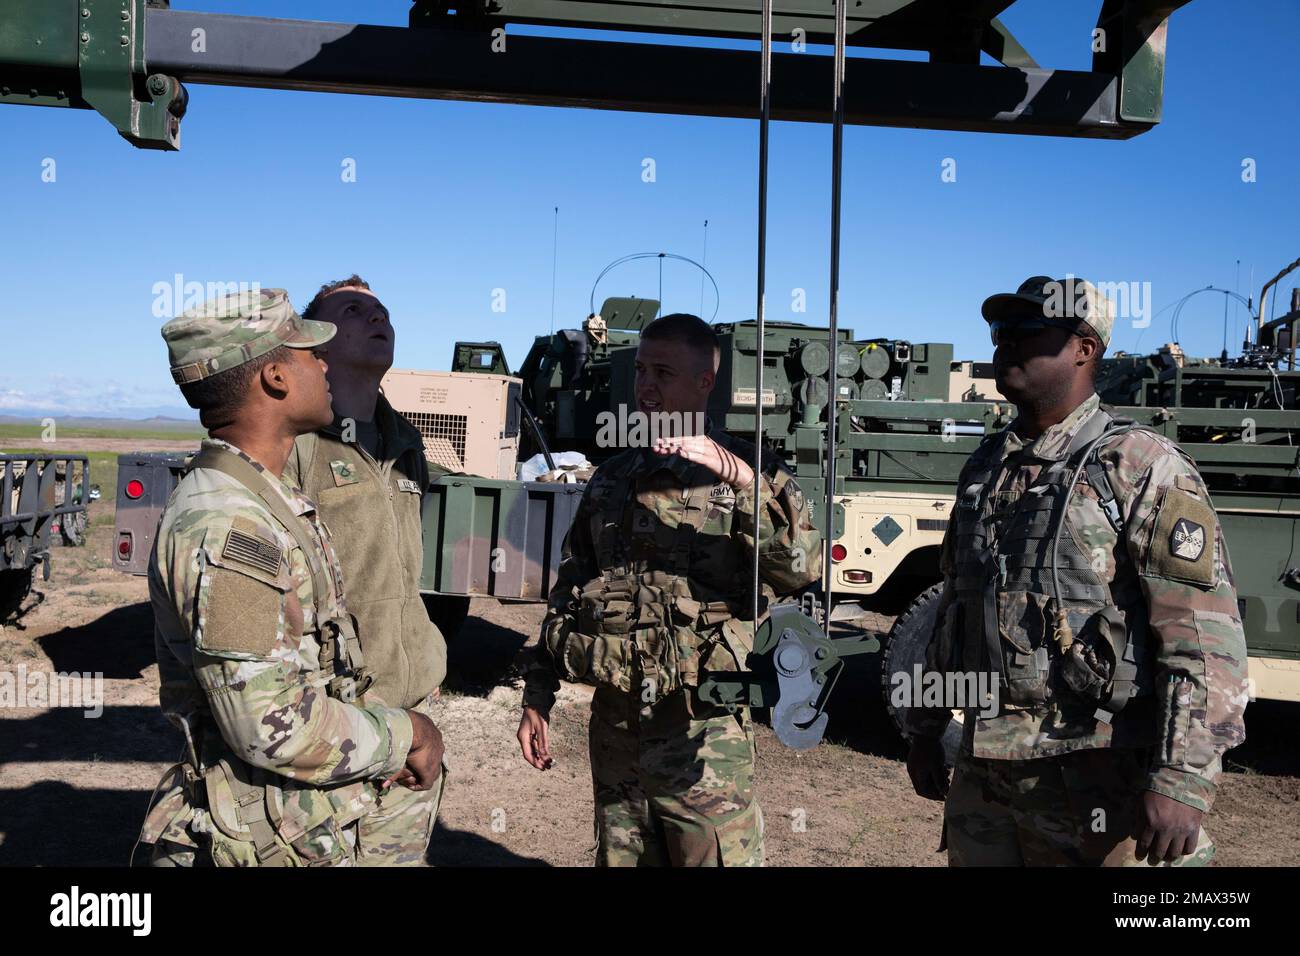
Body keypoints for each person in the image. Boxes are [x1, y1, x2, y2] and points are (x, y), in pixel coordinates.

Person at [904, 276, 1249, 866]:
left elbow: (1202, 635)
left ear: (1085, 348)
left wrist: (1183, 779)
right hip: (986, 776)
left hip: (1095, 775)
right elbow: (958, 608)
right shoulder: (987, 466)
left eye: (1026, 333)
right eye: (999, 332)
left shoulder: (1138, 464)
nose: (1003, 345)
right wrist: (924, 722)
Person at [137, 288, 443, 867]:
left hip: (303, 809)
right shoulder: (233, 527)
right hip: (267, 822)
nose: (323, 365)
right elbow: (268, 724)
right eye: (310, 355)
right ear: (276, 378)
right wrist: (410, 734)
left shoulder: (260, 499)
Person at [516, 313, 823, 866]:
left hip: (703, 735)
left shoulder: (752, 473)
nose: (646, 387)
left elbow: (801, 568)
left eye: (663, 371)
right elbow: (570, 589)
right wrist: (537, 696)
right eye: (640, 371)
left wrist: (745, 482)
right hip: (616, 732)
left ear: (706, 382)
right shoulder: (611, 480)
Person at [282, 275, 448, 866]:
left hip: (410, 715)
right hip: (335, 723)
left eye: (382, 310)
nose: (378, 318)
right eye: (354, 310)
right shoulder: (296, 445)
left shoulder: (406, 444)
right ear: (316, 343)